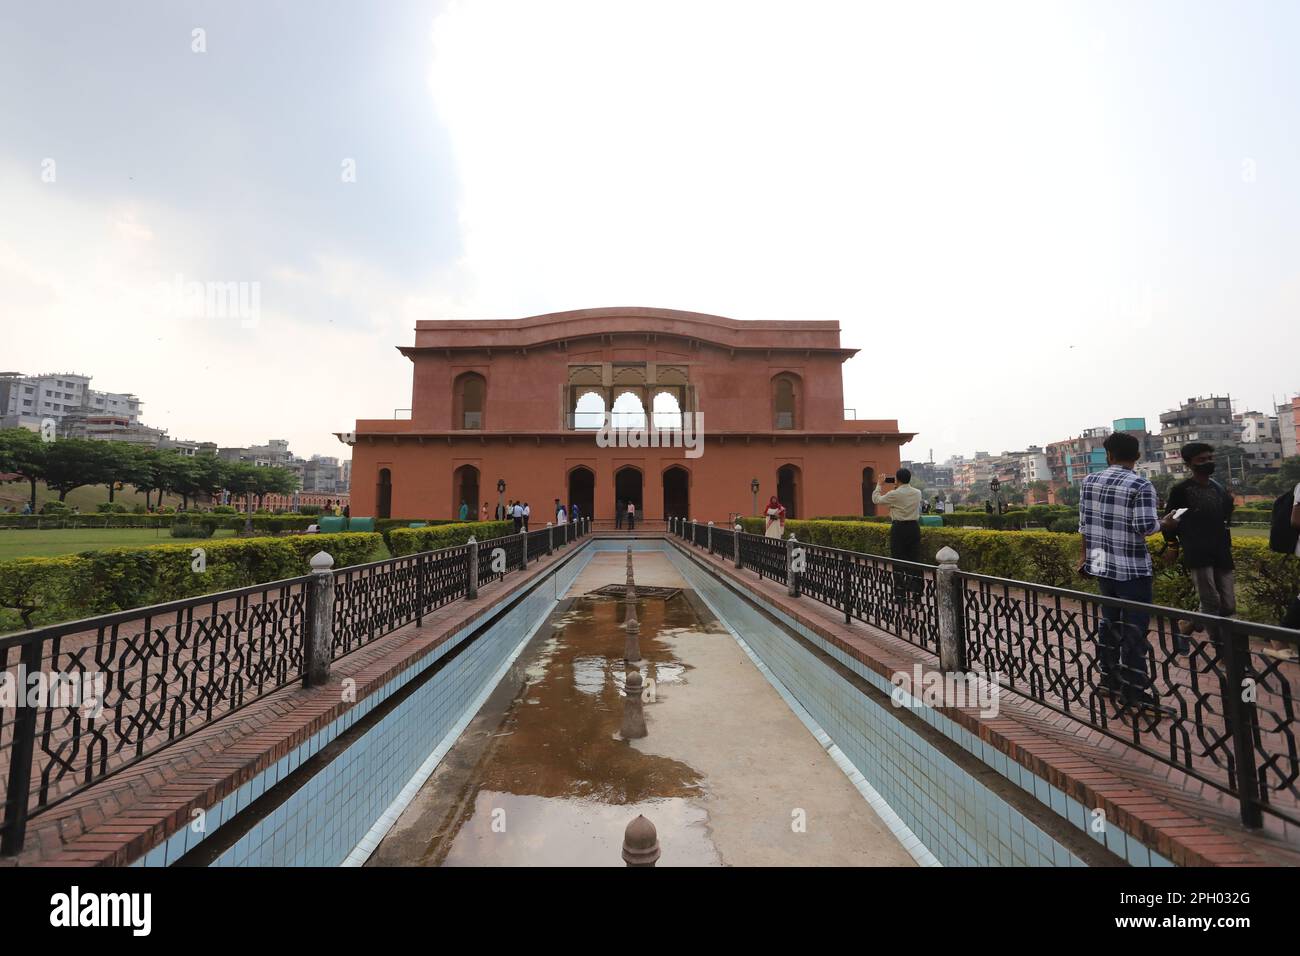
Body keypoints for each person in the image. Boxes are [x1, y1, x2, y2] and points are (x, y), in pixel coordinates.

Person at [1079, 432, 1167, 711]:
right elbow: (1146, 527)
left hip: (1102, 565)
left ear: (1108, 455)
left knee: (1110, 623)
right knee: (1134, 629)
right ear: (1137, 456)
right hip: (1132, 569)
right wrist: (1166, 524)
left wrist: (1087, 559)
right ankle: (1134, 691)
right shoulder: (1140, 485)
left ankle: (1108, 679)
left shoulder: (1089, 481)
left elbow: (1084, 525)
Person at [1162, 442, 1247, 657]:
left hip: (1220, 550)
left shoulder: (1218, 488)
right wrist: (1172, 546)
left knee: (1228, 604)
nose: (1208, 462)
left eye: (1210, 458)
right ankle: (1223, 652)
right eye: (1202, 460)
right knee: (1210, 602)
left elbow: (1225, 516)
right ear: (1189, 463)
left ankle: (1187, 626)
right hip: (1197, 550)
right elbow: (1170, 522)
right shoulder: (1181, 491)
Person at [872, 468, 924, 602]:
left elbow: (876, 499)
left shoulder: (894, 494)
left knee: (898, 561)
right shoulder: (917, 493)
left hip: (899, 529)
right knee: (915, 560)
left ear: (898, 479)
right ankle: (917, 593)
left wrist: (879, 484)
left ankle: (900, 595)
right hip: (914, 528)